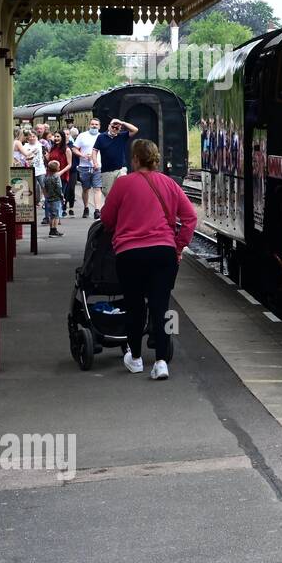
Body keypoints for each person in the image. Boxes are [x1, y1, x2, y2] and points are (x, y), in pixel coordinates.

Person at [97, 138, 196, 381]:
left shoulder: (123, 184)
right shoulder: (169, 183)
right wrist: (178, 246)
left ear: (135, 159)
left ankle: (136, 358)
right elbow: (190, 217)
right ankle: (161, 362)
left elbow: (106, 219)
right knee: (161, 306)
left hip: (130, 255)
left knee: (135, 306)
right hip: (163, 253)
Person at [95, 117, 138, 199]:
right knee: (108, 193)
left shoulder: (122, 136)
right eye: (113, 127)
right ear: (109, 126)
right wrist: (95, 162)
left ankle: (121, 205)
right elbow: (95, 150)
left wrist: (122, 122)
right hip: (107, 171)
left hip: (120, 169)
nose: (114, 129)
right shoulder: (101, 137)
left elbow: (135, 130)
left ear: (120, 129)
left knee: (122, 191)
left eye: (117, 128)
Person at [73, 117, 102, 217]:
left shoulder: (102, 137)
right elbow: (74, 148)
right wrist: (82, 155)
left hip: (97, 166)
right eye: (92, 124)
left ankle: (97, 210)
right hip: (84, 166)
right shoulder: (82, 136)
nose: (94, 126)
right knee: (85, 189)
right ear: (89, 125)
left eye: (96, 124)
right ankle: (86, 207)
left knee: (97, 188)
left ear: (99, 126)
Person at [43, 158, 70, 237]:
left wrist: (46, 196)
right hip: (56, 198)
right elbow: (59, 188)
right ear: (57, 168)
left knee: (51, 215)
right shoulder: (56, 177)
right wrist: (62, 196)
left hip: (49, 198)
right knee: (56, 215)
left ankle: (51, 229)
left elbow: (44, 188)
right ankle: (54, 230)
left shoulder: (46, 177)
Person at [47, 133, 71, 218]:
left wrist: (60, 172)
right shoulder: (52, 148)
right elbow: (49, 161)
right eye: (55, 136)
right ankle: (50, 215)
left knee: (59, 196)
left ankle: (58, 216)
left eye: (58, 137)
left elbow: (69, 164)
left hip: (62, 176)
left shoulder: (67, 150)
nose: (56, 138)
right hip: (50, 175)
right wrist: (46, 157)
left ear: (62, 138)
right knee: (50, 196)